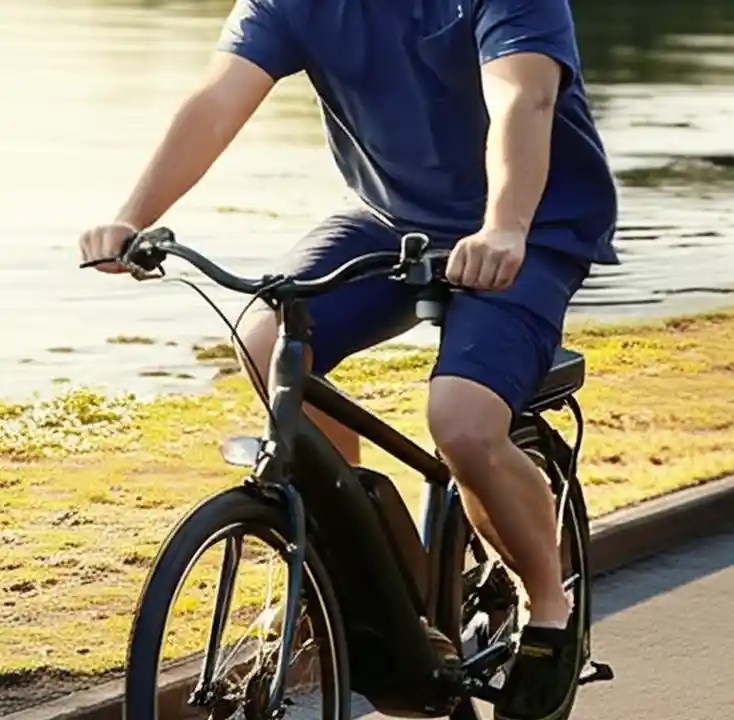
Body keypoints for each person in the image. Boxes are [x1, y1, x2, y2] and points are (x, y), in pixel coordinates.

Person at [76, 0, 617, 717]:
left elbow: (524, 94)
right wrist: (133, 214)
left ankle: (549, 606)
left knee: (460, 420)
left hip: (531, 230)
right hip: (389, 220)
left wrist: (505, 225)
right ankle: (366, 568)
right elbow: (215, 100)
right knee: (266, 336)